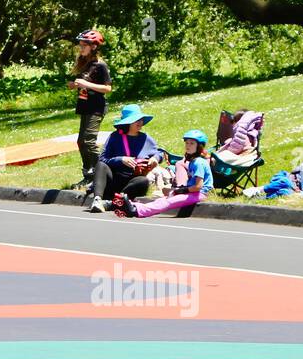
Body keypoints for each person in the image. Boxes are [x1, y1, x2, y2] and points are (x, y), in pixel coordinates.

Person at [113, 130, 212, 218]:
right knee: (163, 199)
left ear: (199, 146)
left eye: (192, 143)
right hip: (193, 192)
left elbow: (199, 186)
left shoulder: (199, 162)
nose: (188, 146)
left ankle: (135, 211)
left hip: (199, 194)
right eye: (186, 143)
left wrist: (183, 190)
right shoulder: (194, 161)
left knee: (169, 201)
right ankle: (134, 206)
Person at [85, 104, 157, 213]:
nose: (140, 122)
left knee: (143, 181)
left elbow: (158, 152)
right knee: (101, 166)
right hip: (113, 179)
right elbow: (103, 159)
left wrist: (155, 159)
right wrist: (120, 159)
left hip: (131, 181)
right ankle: (98, 200)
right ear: (127, 122)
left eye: (141, 119)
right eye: (136, 120)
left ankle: (114, 202)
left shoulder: (146, 138)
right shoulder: (115, 137)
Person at [69, 29, 112, 190]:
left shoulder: (101, 65)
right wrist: (75, 85)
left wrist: (86, 84)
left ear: (93, 46)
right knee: (81, 141)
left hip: (96, 107)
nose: (81, 48)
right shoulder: (85, 63)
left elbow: (107, 88)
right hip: (84, 106)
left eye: (84, 45)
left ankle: (102, 174)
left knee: (89, 141)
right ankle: (88, 175)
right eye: (80, 45)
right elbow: (82, 83)